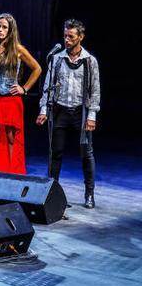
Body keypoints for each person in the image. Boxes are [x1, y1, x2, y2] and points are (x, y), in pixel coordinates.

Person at [36, 19, 101, 208]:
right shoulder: (57, 58)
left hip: (81, 111)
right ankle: (51, 194)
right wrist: (43, 110)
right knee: (55, 153)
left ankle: (89, 194)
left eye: (71, 36)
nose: (67, 40)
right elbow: (48, 87)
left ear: (80, 37)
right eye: (65, 36)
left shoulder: (90, 61)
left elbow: (95, 90)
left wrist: (91, 116)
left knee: (86, 154)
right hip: (61, 110)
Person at [0, 13, 42, 174]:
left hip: (10, 100)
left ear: (10, 30)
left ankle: (12, 176)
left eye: (4, 27)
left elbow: (37, 69)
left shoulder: (18, 49)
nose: (0, 30)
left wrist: (24, 88)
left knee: (11, 138)